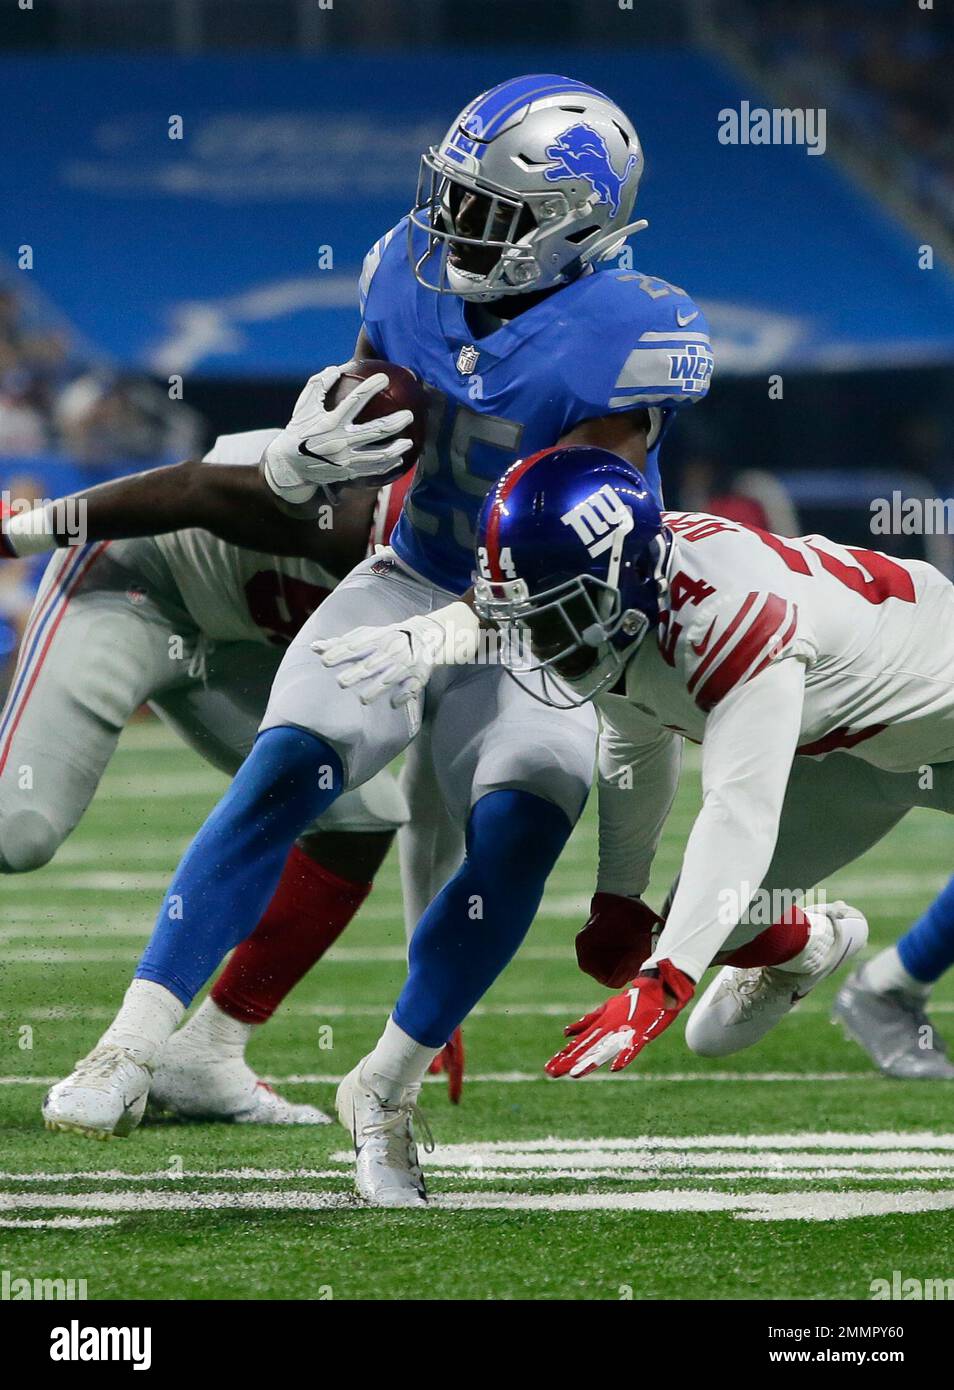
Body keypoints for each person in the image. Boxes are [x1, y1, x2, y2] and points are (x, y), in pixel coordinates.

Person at [41, 75, 712, 1207]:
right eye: (451, 196)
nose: (453, 227)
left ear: (571, 224)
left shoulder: (628, 336)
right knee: (286, 765)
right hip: (408, 575)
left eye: (491, 211)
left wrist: (462, 635)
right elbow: (373, 410)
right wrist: (313, 454)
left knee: (520, 829)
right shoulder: (405, 265)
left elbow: (569, 558)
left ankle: (385, 1092)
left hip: (540, 627)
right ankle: (127, 1044)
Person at [0, 421, 461, 1126]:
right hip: (132, 592)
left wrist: (438, 973)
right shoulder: (340, 501)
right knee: (19, 830)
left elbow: (435, 780)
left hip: (247, 646)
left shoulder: (472, 579)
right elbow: (186, 488)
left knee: (360, 814)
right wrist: (24, 532)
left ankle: (207, 1056)